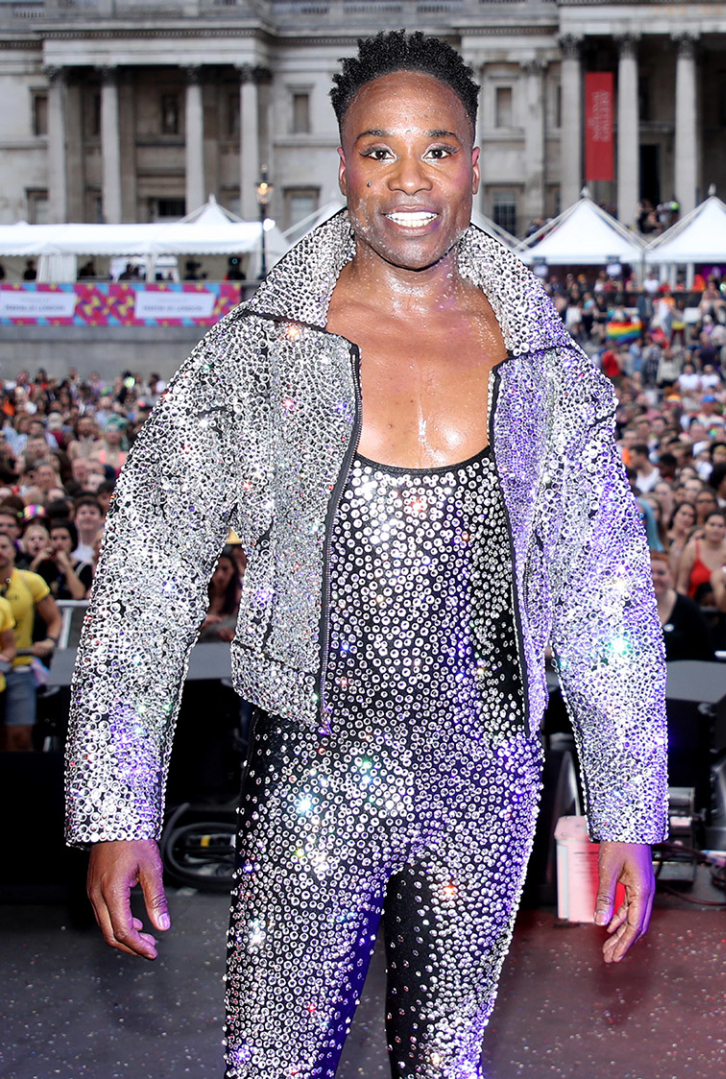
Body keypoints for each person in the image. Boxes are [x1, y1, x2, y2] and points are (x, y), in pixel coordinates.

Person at [65, 31, 667, 1079]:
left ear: (476, 162)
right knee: (276, 1063)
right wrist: (116, 804)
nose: (409, 183)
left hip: (488, 781)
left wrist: (626, 809)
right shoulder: (253, 352)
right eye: (378, 150)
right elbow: (147, 577)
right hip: (308, 770)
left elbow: (604, 588)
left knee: (447, 1065)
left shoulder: (545, 364)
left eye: (437, 149)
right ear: (340, 164)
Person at [0, 531, 62, 750]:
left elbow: (55, 618)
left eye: (4, 546)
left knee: (20, 736)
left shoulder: (30, 581)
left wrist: (49, 641)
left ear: (14, 551)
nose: (0, 552)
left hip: (20, 667)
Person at [651, 551, 713, 662]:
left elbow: (705, 651)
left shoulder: (688, 607)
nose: (655, 577)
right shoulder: (629, 608)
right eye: (649, 572)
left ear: (671, 576)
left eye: (661, 573)